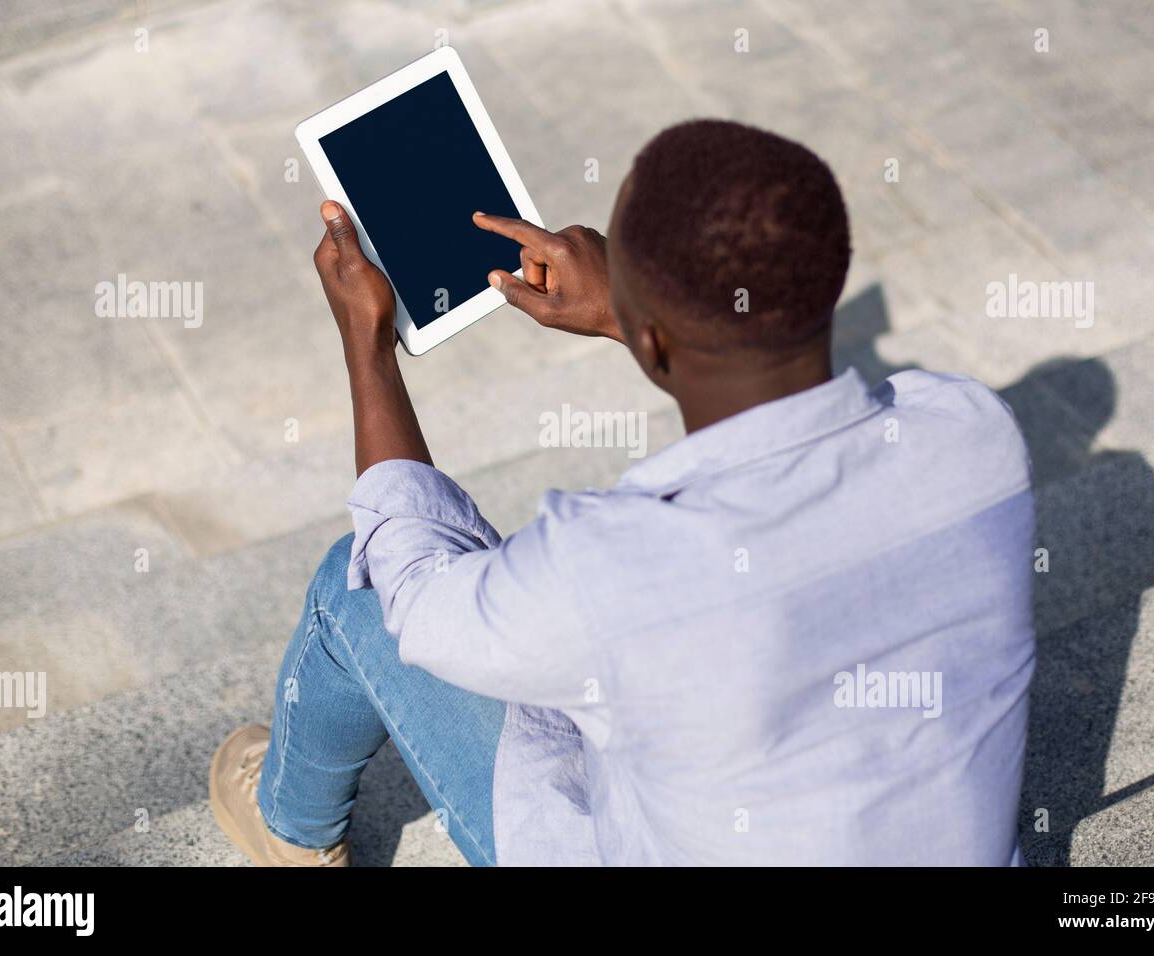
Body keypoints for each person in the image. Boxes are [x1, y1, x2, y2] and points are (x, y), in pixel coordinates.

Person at [209, 118, 1035, 866]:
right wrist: (633, 316)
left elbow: (417, 594)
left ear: (650, 328)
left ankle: (288, 832)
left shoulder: (616, 565)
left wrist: (369, 348)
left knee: (354, 587)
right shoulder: (976, 436)